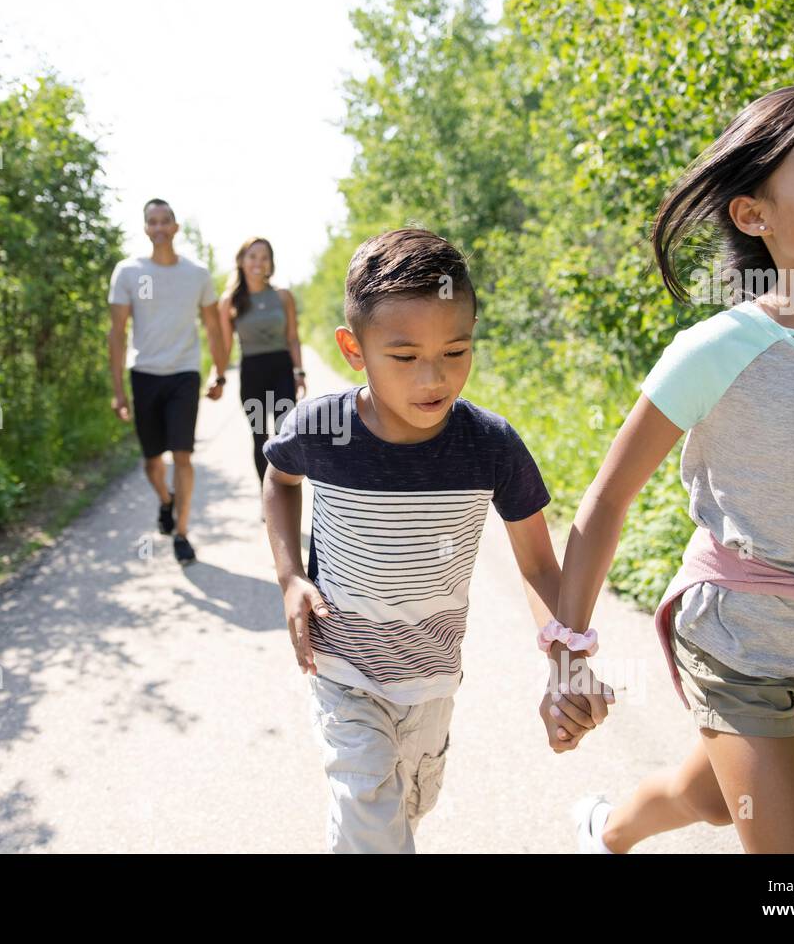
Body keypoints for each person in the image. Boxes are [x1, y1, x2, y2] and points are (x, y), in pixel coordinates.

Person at [553, 81, 794, 853]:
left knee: (703, 793)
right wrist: (567, 655)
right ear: (753, 212)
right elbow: (605, 502)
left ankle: (605, 831)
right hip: (732, 636)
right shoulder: (720, 350)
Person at [261, 228, 611, 853]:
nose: (434, 378)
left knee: (407, 810)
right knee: (372, 817)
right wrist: (291, 576)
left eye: (456, 351)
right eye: (404, 356)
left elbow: (536, 564)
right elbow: (280, 479)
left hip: (432, 681)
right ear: (354, 348)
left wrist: (567, 660)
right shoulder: (322, 428)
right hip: (342, 672)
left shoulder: (489, 445)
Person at [108, 198, 231, 565]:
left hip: (184, 374)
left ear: (176, 227)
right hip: (144, 374)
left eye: (166, 221)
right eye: (152, 222)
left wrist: (219, 373)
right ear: (146, 228)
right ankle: (165, 500)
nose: (159, 228)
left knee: (183, 455)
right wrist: (118, 392)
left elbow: (213, 327)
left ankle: (181, 532)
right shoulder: (128, 272)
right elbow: (116, 333)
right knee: (152, 462)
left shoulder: (196, 274)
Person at [217, 237, 307, 507]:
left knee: (284, 434)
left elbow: (292, 337)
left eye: (264, 257)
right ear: (242, 261)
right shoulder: (230, 301)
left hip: (281, 369)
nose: (258, 262)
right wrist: (217, 375)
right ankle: (267, 497)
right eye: (253, 256)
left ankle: (285, 494)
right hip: (252, 372)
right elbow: (224, 345)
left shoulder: (282, 296)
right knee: (259, 437)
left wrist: (299, 371)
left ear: (271, 263)